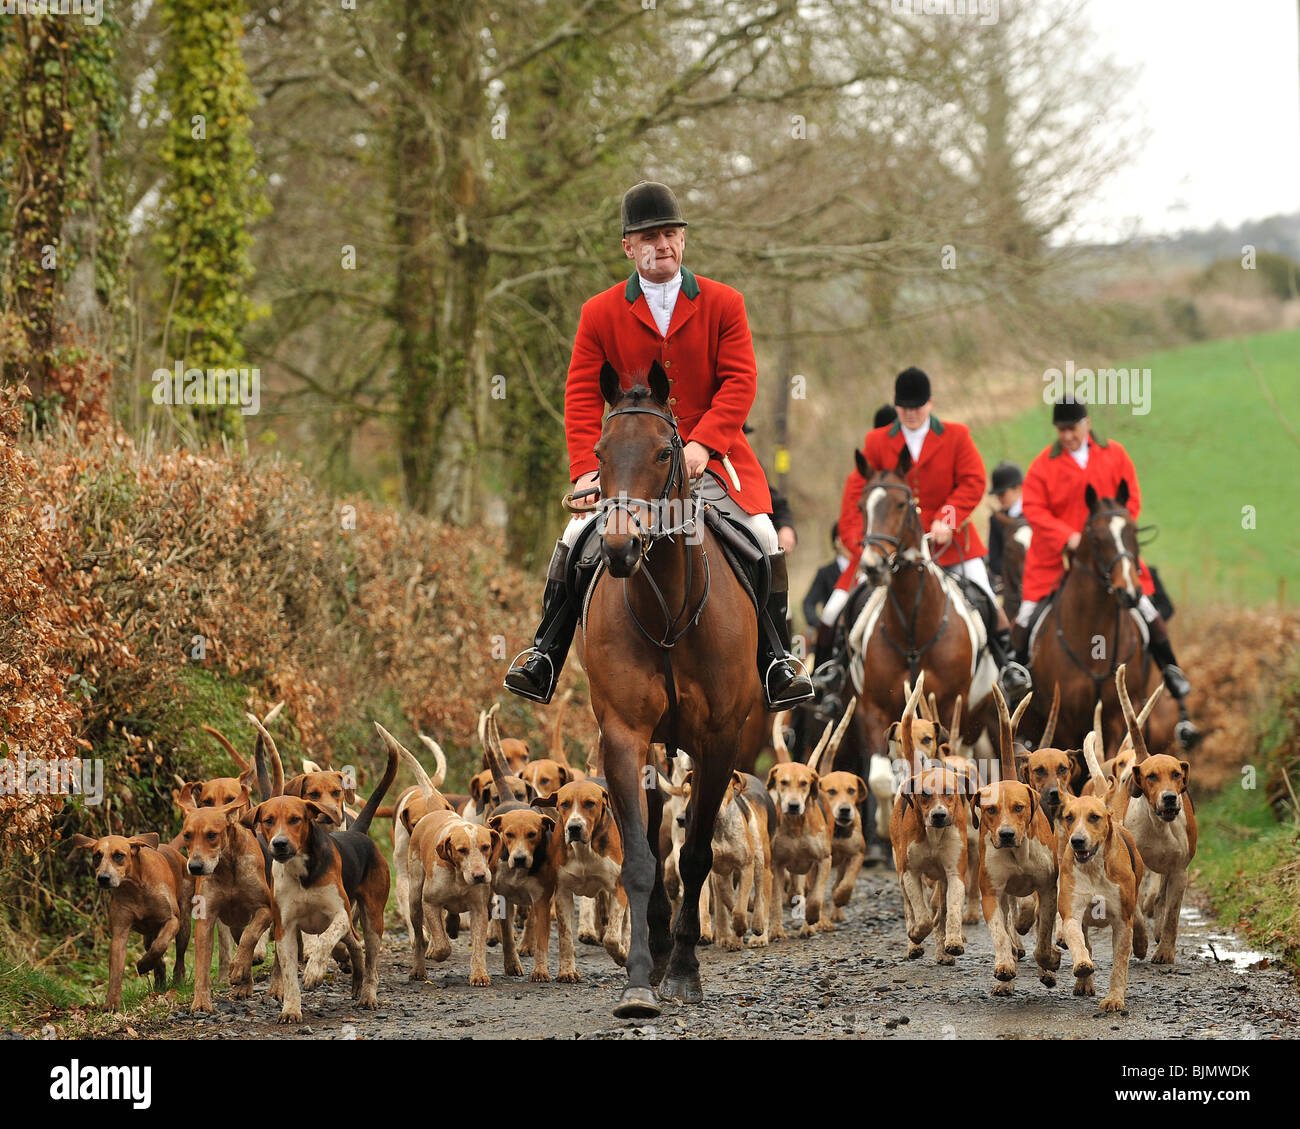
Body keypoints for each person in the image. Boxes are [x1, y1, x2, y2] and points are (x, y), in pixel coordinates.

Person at [504, 181, 813, 711]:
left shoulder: (724, 302)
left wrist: (705, 445)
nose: (662, 244)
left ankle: (777, 659)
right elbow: (580, 393)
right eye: (649, 237)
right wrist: (584, 471)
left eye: (670, 234)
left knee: (762, 534)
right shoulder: (598, 312)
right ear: (629, 246)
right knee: (576, 533)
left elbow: (740, 382)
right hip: (629, 461)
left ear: (683, 239)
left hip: (715, 458)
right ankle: (545, 652)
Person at [810, 368, 1031, 718]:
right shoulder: (877, 441)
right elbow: (858, 493)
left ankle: (1009, 669)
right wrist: (865, 543)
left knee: (987, 598)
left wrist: (950, 516)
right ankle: (831, 673)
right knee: (840, 609)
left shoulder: (957, 436)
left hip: (949, 544)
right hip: (894, 550)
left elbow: (973, 480)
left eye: (917, 407)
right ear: (896, 408)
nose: (910, 414)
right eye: (904, 408)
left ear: (930, 403)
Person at [1015, 398, 1199, 746]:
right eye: (1062, 430)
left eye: (1073, 428)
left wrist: (1116, 531)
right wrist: (1067, 536)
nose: (1068, 436)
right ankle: (1017, 680)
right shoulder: (1043, 466)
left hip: (1113, 555)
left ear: (1087, 424)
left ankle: (1173, 676)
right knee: (1026, 617)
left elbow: (1132, 502)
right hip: (1058, 557)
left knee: (1147, 611)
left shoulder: (1115, 454)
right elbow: (1034, 509)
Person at [802, 523, 850, 633]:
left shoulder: (865, 571)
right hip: (833, 631)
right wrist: (820, 626)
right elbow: (808, 603)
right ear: (838, 542)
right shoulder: (825, 572)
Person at [986, 460, 1024, 585]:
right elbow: (994, 559)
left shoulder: (1034, 514)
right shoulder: (996, 520)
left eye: (1002, 494)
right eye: (997, 495)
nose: (999, 499)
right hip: (1010, 582)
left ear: (1017, 489)